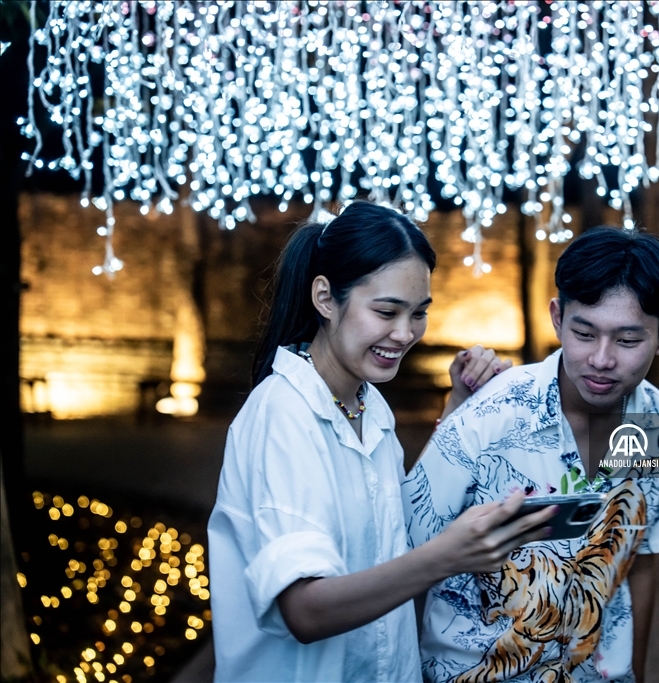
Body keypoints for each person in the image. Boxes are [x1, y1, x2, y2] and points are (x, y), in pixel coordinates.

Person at [208, 201, 557, 683]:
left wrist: (457, 410)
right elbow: (305, 611)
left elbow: (396, 535)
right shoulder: (283, 414)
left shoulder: (369, 406)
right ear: (326, 298)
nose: (405, 333)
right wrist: (448, 557)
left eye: (418, 314)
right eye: (387, 311)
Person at [403, 226, 659, 683]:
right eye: (584, 332)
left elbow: (642, 563)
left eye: (628, 340)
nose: (601, 358)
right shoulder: (487, 414)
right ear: (557, 317)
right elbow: (405, 555)